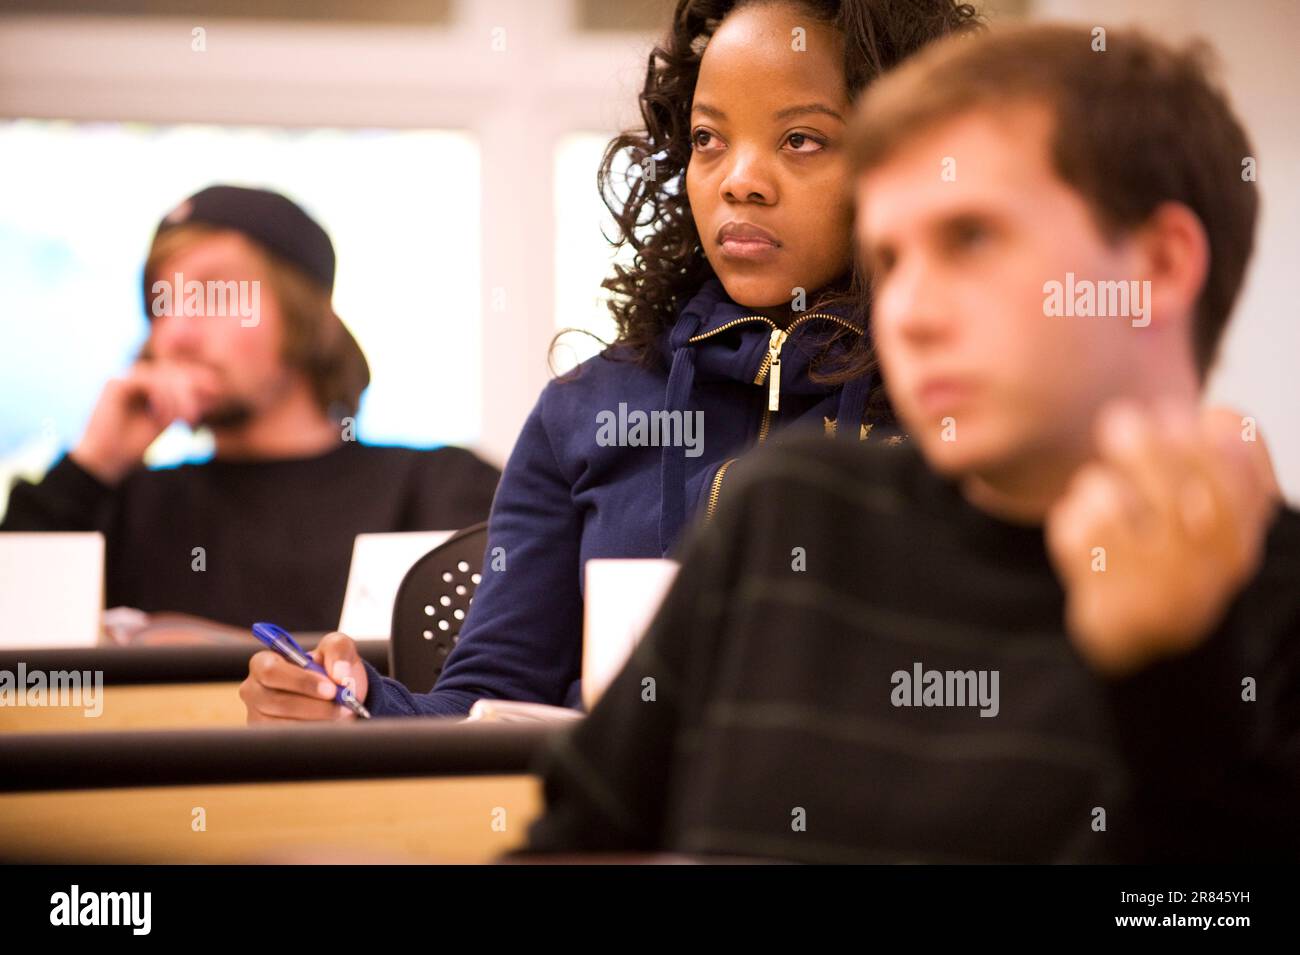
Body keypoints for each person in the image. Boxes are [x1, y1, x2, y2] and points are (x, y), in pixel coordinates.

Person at [521, 24, 1297, 863]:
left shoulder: (1275, 614)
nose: (911, 314)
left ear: (1156, 267)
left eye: (971, 239)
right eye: (890, 258)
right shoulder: (790, 512)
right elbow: (571, 844)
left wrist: (1174, 677)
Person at [238, 0, 982, 722]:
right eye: (708, 139)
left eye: (801, 141)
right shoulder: (588, 409)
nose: (738, 180)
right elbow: (486, 703)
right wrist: (357, 703)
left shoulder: (970, 401)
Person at [2, 185, 500, 631]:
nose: (176, 333)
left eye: (215, 297)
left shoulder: (439, 490)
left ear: (303, 315)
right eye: (161, 305)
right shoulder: (126, 508)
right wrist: (91, 466)